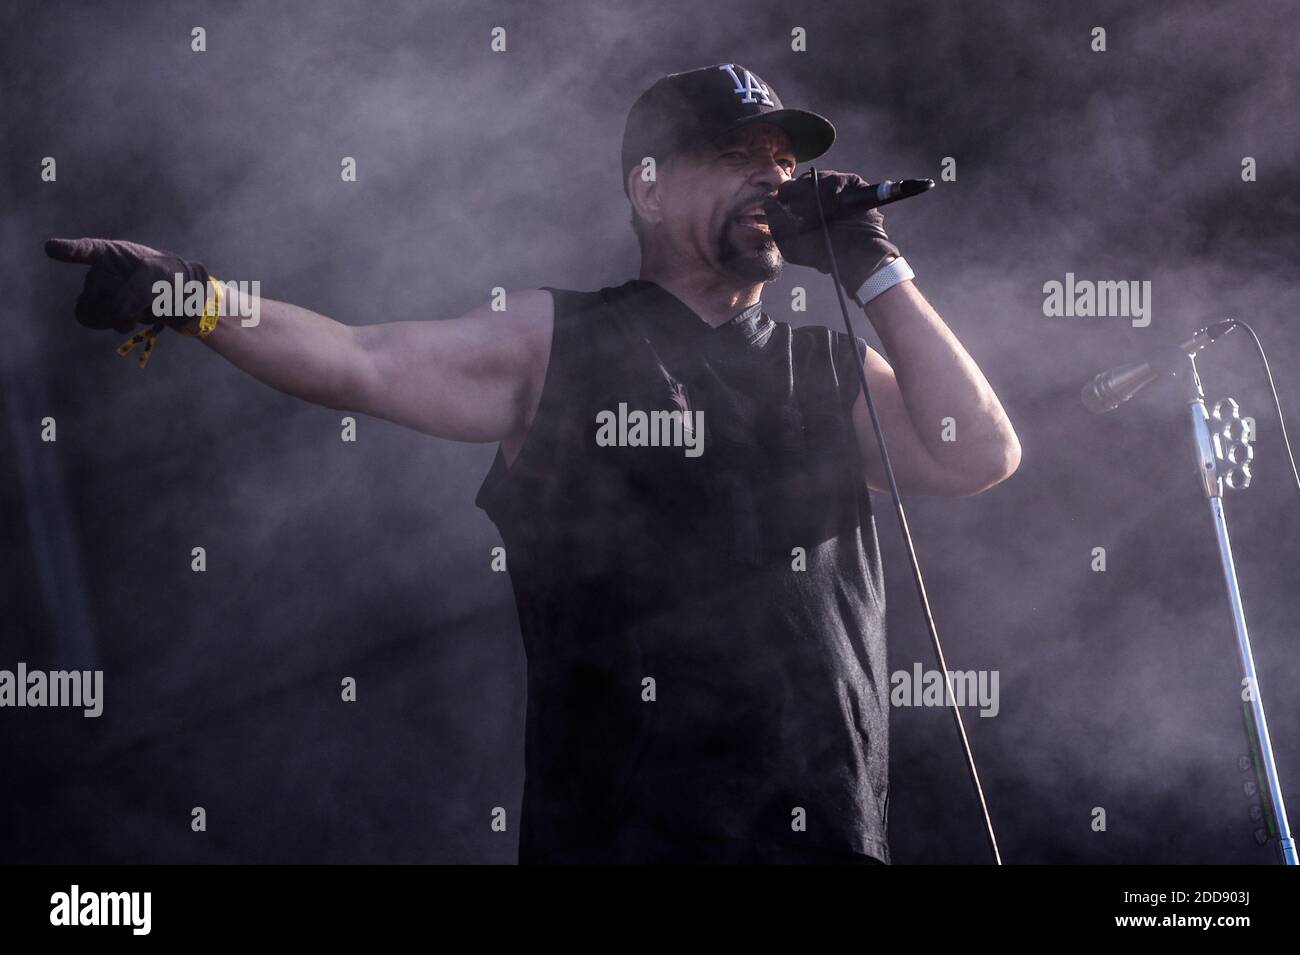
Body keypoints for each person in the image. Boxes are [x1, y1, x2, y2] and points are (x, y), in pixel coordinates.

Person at [45, 62, 1020, 864]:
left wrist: (875, 268)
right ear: (648, 184)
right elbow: (360, 357)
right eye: (734, 157)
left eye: (779, 160)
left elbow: (979, 452)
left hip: (829, 842)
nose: (772, 180)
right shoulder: (559, 339)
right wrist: (193, 297)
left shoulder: (826, 365)